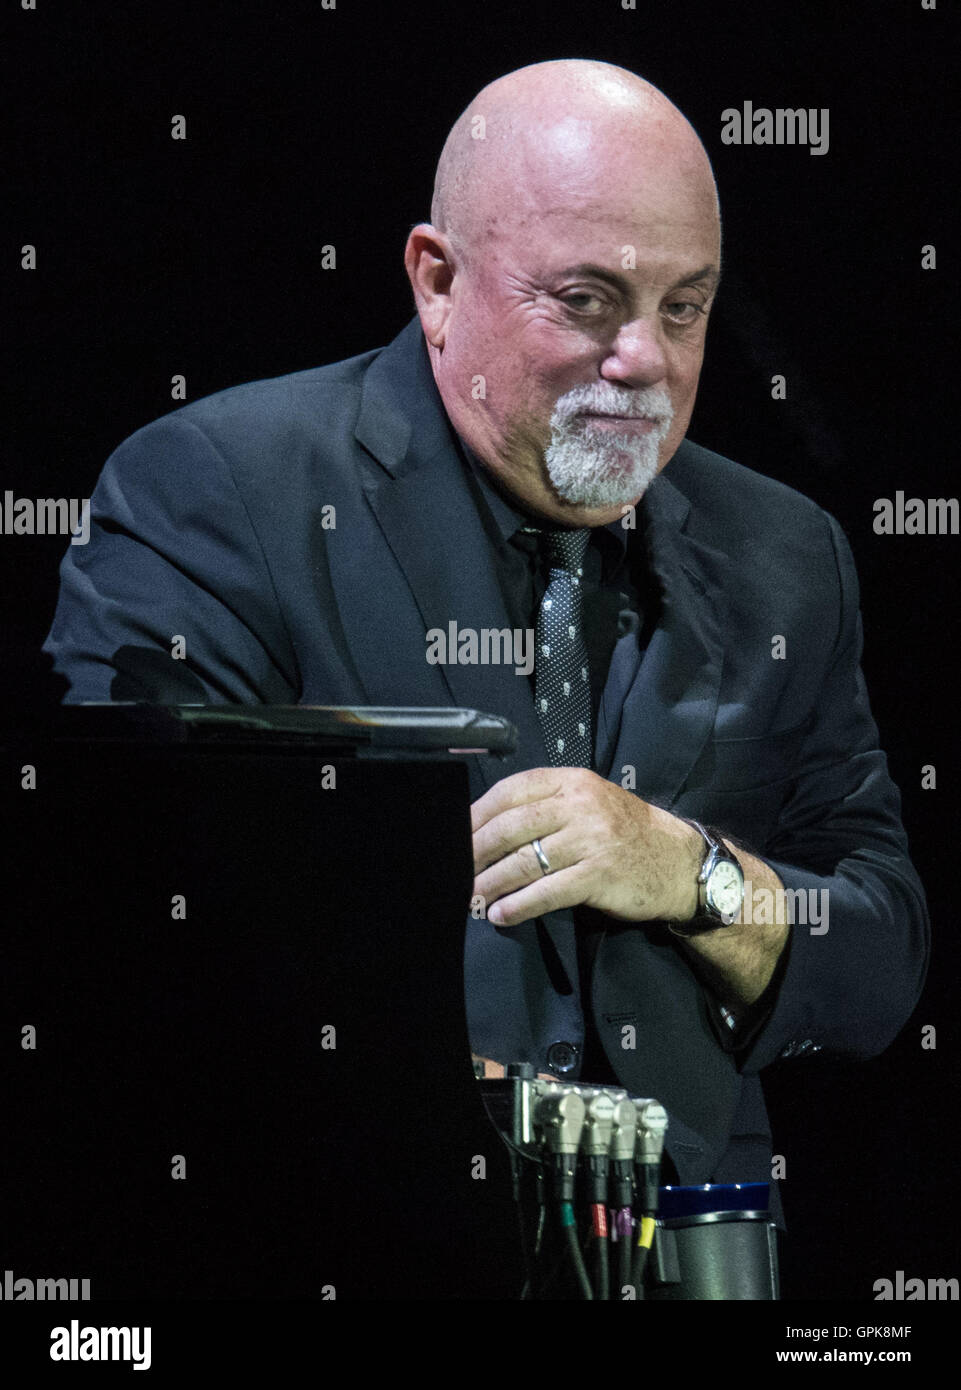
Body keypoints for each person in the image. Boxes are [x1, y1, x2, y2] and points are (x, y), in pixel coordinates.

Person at [42, 61, 929, 1225]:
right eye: (586, 300)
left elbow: (876, 963)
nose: (645, 362)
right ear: (438, 281)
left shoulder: (784, 553)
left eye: (684, 306)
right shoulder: (219, 492)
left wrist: (694, 875)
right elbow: (122, 935)